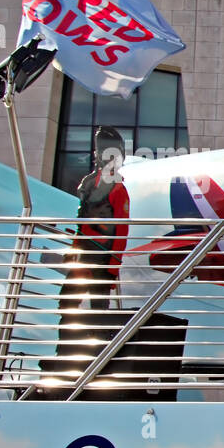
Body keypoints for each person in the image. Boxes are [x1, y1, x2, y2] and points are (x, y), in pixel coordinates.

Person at [72, 125, 130, 310]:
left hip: (102, 260)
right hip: (84, 255)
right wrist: (75, 251)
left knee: (98, 309)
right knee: (68, 305)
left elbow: (121, 229)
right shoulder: (88, 184)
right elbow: (81, 221)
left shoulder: (117, 188)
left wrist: (113, 267)